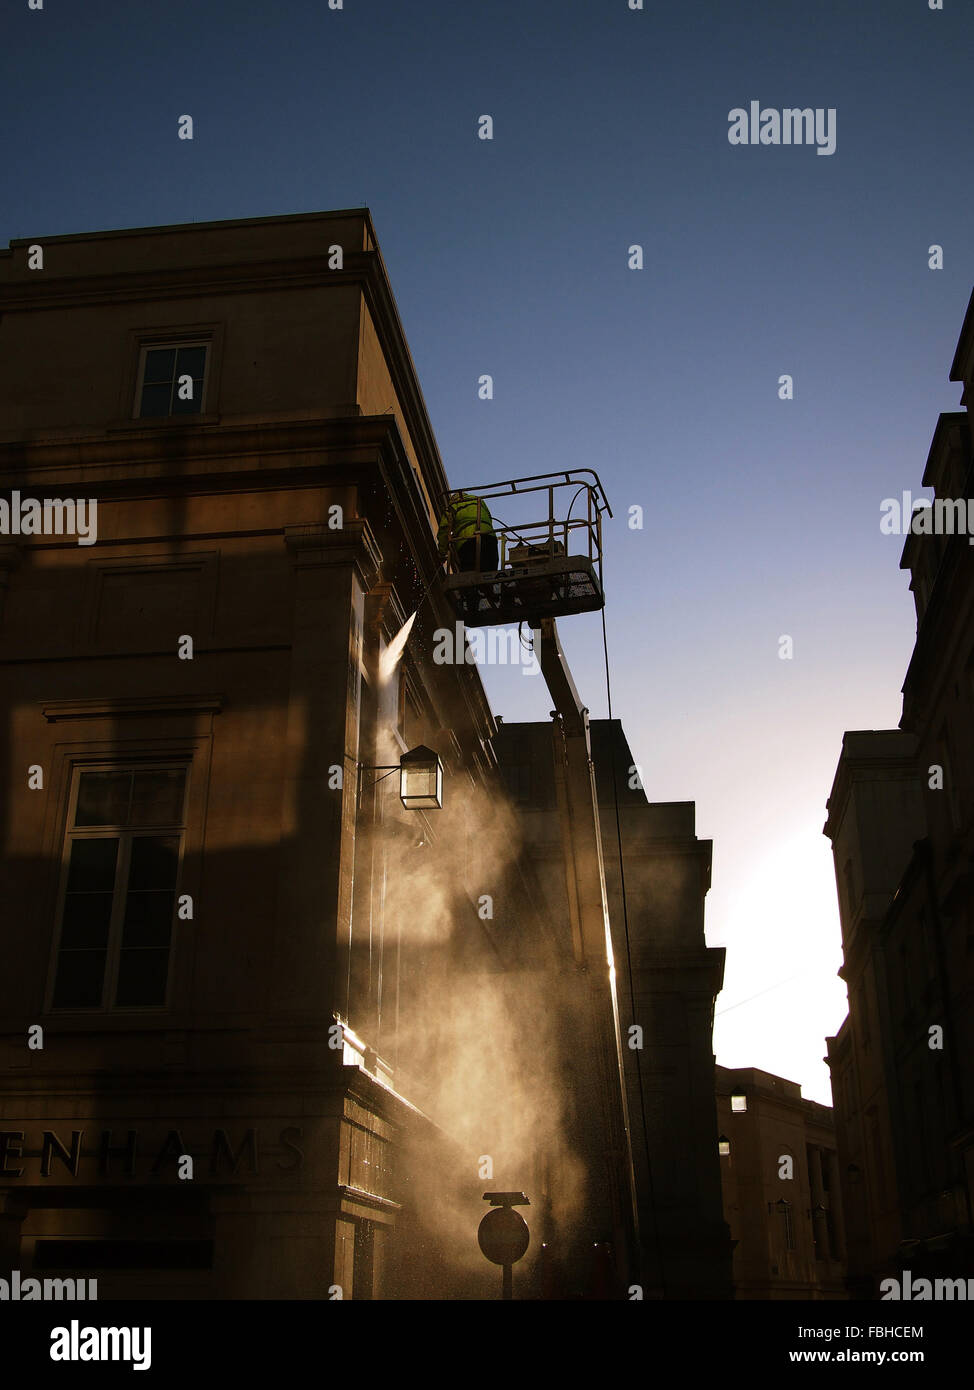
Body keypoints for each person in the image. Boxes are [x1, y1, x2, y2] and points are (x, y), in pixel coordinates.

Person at [437, 492, 498, 572]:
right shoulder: (479, 500)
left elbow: (445, 527)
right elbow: (489, 518)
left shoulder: (454, 504)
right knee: (490, 574)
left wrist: (442, 553)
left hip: (468, 542)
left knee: (470, 574)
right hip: (490, 539)